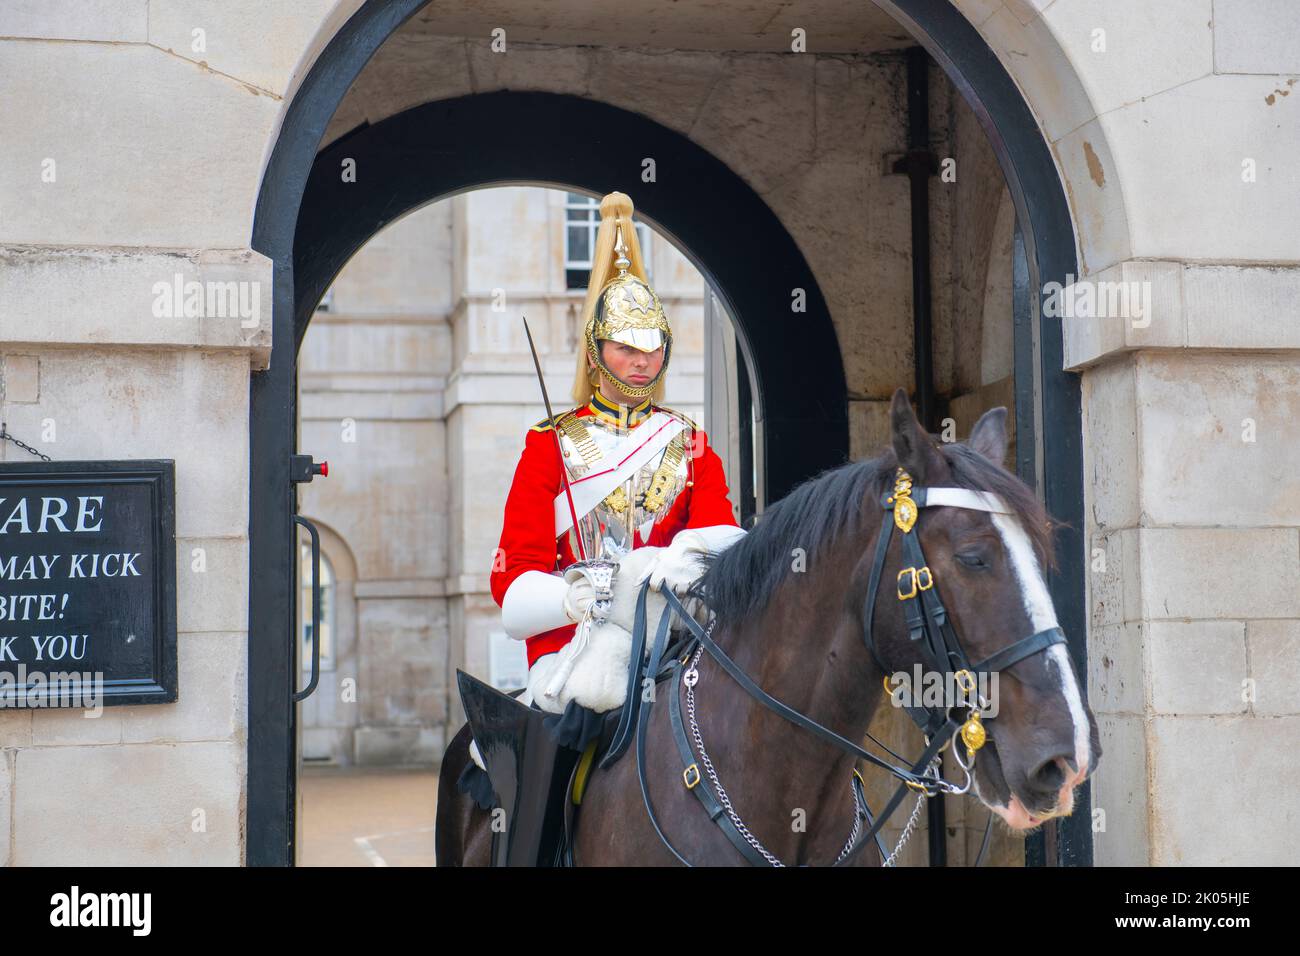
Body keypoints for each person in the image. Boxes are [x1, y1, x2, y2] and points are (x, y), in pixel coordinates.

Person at [491, 190, 746, 712]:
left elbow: (717, 537)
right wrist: (569, 598)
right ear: (596, 354)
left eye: (652, 348)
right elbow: (515, 571)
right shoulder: (550, 444)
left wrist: (679, 569)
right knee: (568, 726)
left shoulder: (689, 443)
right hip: (574, 641)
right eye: (627, 348)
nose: (642, 362)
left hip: (671, 642)